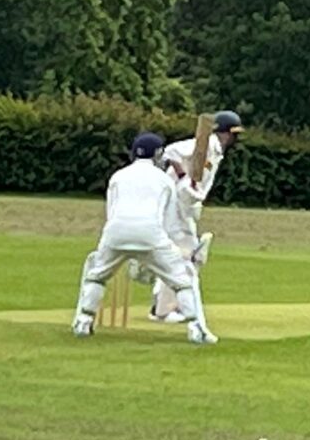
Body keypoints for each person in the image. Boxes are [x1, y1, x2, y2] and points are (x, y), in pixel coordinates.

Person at [73, 133, 217, 345]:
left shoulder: (118, 176)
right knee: (183, 279)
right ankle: (197, 328)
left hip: (115, 233)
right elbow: (167, 216)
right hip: (151, 234)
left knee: (96, 276)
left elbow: (111, 210)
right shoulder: (164, 180)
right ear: (158, 154)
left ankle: (83, 322)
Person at [150, 110, 243, 321]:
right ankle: (164, 310)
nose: (234, 139)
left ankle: (161, 301)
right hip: (175, 206)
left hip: (187, 207)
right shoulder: (206, 144)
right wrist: (183, 176)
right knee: (183, 255)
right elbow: (169, 152)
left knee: (188, 254)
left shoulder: (215, 150)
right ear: (225, 132)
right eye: (233, 134)